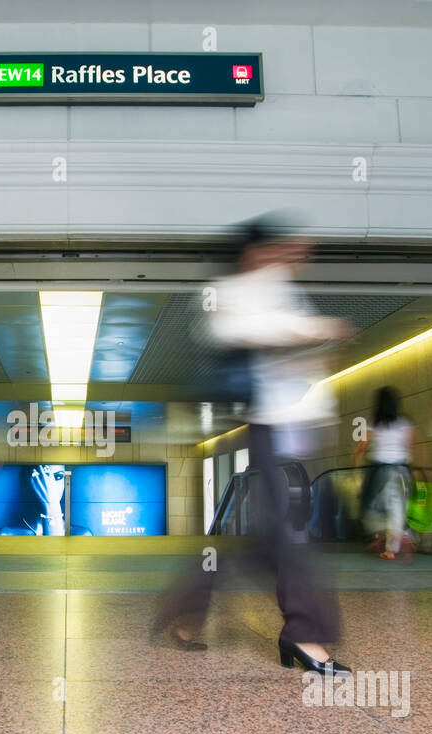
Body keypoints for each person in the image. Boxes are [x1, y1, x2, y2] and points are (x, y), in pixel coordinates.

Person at [155, 213, 350, 675]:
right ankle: (304, 636)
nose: (295, 252)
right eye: (283, 245)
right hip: (268, 426)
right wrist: (314, 331)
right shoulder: (233, 289)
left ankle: (186, 608)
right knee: (289, 535)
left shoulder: (281, 289)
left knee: (272, 538)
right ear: (257, 250)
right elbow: (227, 331)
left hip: (291, 427)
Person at [354, 386, 416, 560]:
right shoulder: (404, 421)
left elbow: (361, 448)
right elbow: (409, 447)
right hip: (401, 468)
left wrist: (357, 467)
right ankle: (394, 543)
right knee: (396, 507)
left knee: (370, 507)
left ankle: (389, 539)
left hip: (379, 469)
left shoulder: (374, 421)